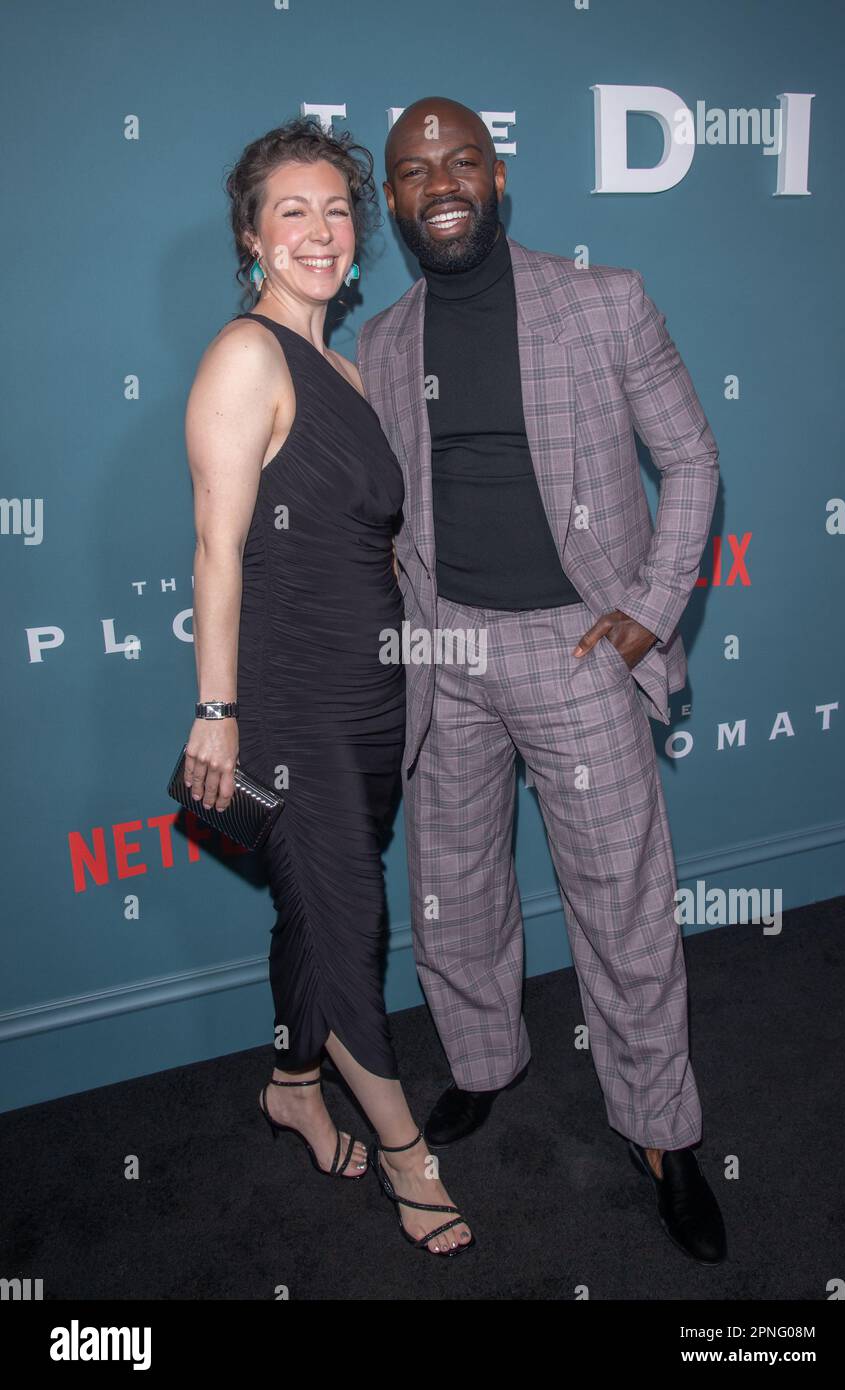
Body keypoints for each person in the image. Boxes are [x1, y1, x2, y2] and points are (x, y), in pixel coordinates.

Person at [356, 97, 726, 1263]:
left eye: (460, 159)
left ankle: (661, 1134)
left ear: (496, 175)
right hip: (444, 650)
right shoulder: (381, 343)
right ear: (397, 200)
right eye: (416, 171)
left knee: (619, 908)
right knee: (451, 889)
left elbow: (692, 459)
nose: (442, 181)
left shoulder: (600, 300)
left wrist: (648, 612)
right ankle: (478, 1062)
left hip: (576, 644)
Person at [182, 116, 472, 1256]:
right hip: (286, 695)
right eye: (289, 211)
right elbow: (215, 549)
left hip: (370, 692)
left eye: (336, 210)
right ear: (252, 238)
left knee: (315, 906)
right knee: (353, 923)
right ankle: (407, 1153)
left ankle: (294, 1084)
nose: (318, 230)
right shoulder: (245, 355)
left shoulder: (343, 365)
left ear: (359, 238)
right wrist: (217, 709)